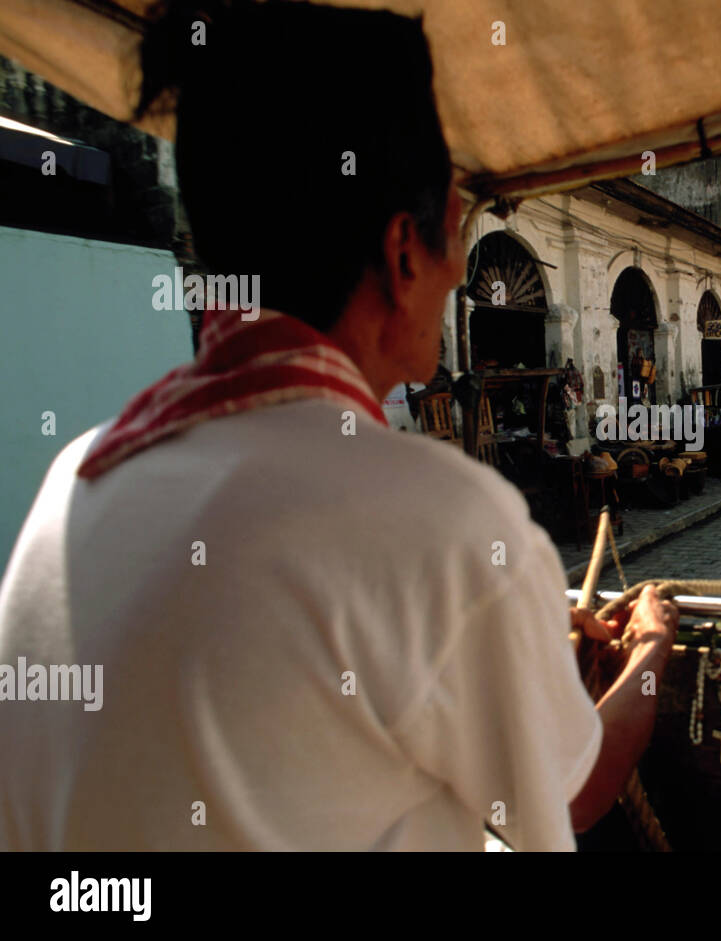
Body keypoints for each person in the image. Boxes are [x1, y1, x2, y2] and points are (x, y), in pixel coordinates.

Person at [0, 0, 676, 851]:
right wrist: (651, 647)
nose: (461, 269)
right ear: (403, 252)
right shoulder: (443, 518)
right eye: (456, 233)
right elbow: (572, 791)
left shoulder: (73, 483)